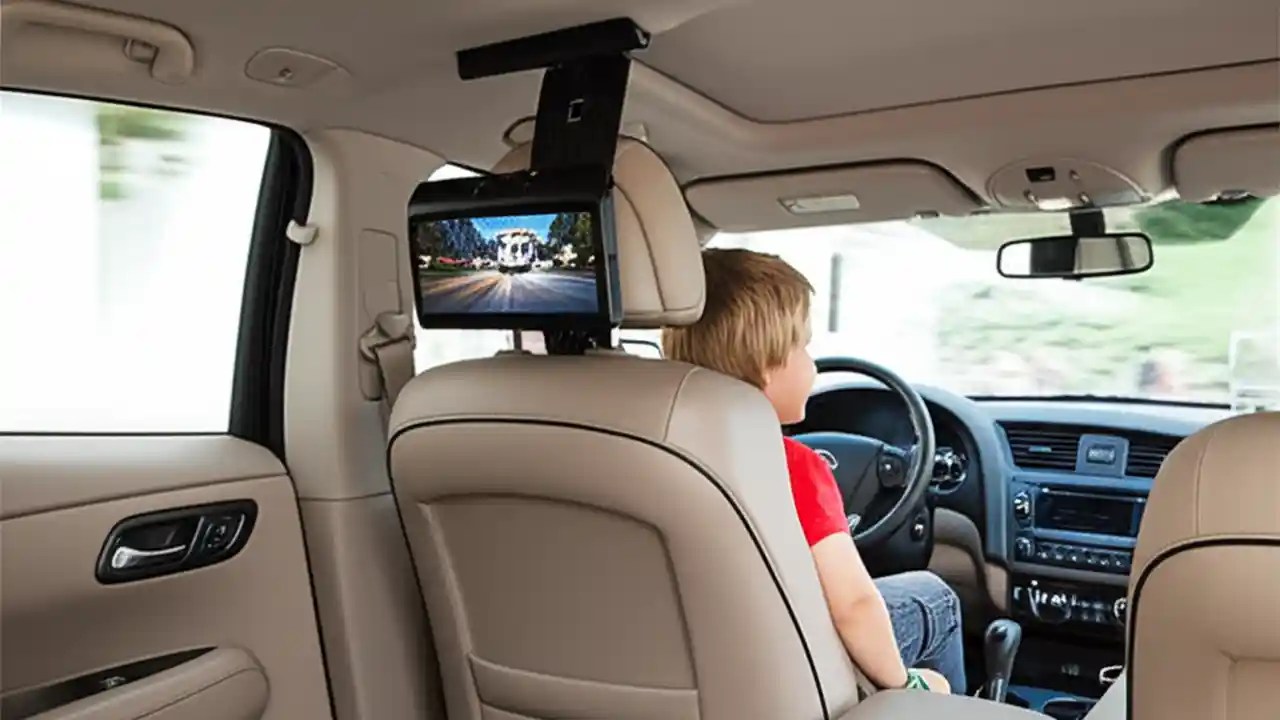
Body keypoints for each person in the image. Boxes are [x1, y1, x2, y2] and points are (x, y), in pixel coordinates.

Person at [662, 248, 966, 695]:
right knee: (935, 597)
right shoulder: (793, 466)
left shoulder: (655, 452)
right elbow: (854, 607)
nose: (812, 362)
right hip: (791, 663)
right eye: (803, 346)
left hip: (697, 659)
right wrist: (909, 684)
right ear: (764, 366)